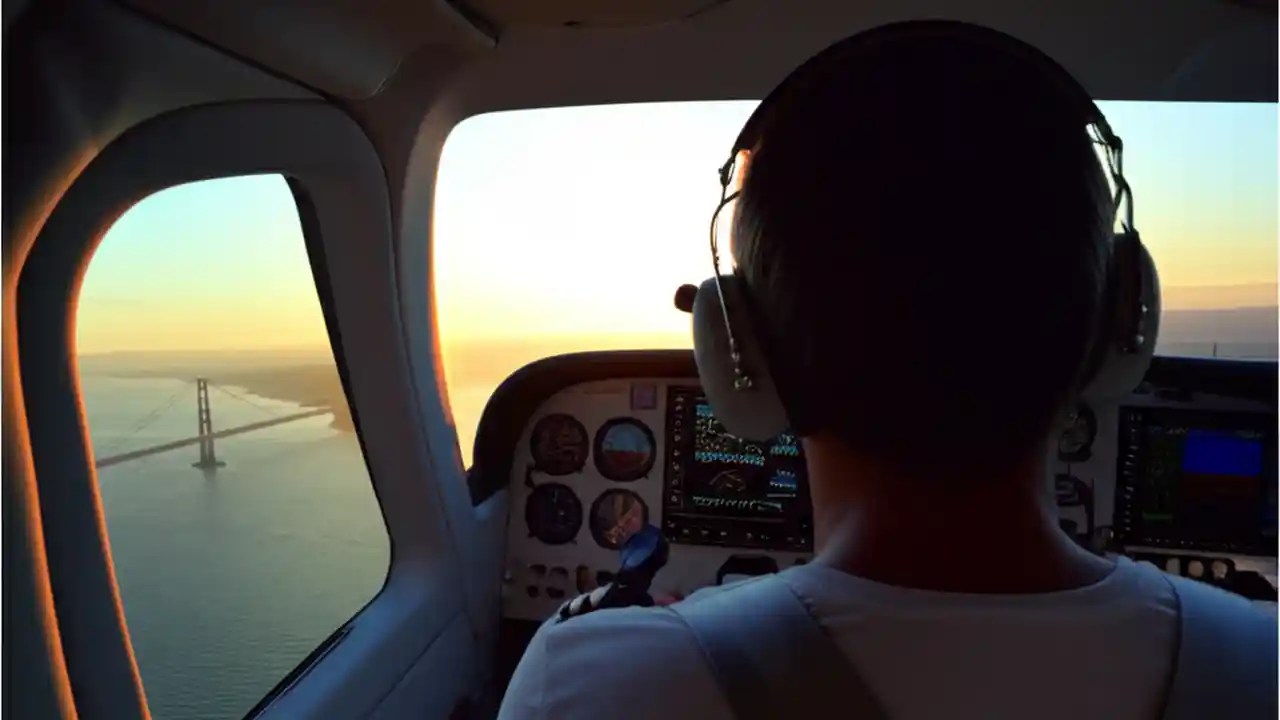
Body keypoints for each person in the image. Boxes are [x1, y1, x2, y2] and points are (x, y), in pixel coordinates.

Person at [497, 23, 1276, 719]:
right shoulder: (1261, 667)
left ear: (744, 356)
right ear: (1120, 328)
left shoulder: (592, 684)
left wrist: (660, 632)